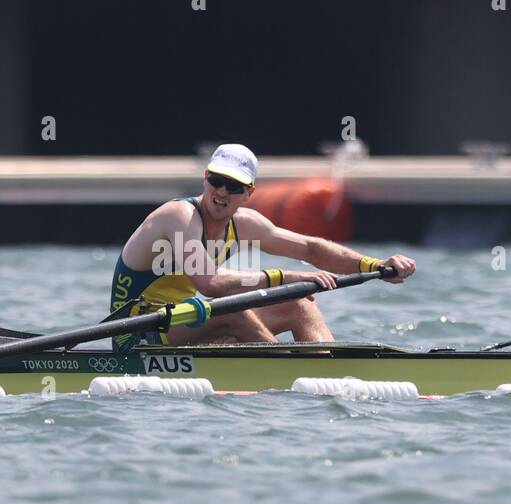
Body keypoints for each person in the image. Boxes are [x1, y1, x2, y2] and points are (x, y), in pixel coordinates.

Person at [110, 143, 416, 351]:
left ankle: (326, 376)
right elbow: (211, 284)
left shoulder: (245, 224)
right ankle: (286, 372)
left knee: (300, 305)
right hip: (136, 333)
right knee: (234, 311)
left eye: (234, 187)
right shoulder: (178, 216)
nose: (221, 192)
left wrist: (374, 265)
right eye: (216, 180)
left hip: (182, 323)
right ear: (205, 178)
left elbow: (311, 249)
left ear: (248, 193)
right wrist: (284, 278)